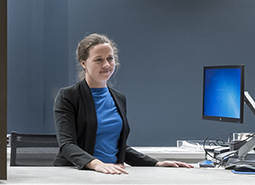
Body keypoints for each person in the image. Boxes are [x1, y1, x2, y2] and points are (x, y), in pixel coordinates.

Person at [52, 33, 193, 174]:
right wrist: (96, 164)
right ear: (83, 63)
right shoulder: (68, 96)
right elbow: (67, 145)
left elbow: (119, 147)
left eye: (110, 58)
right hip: (78, 173)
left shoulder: (119, 98)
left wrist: (155, 163)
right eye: (98, 60)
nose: (106, 65)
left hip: (112, 174)